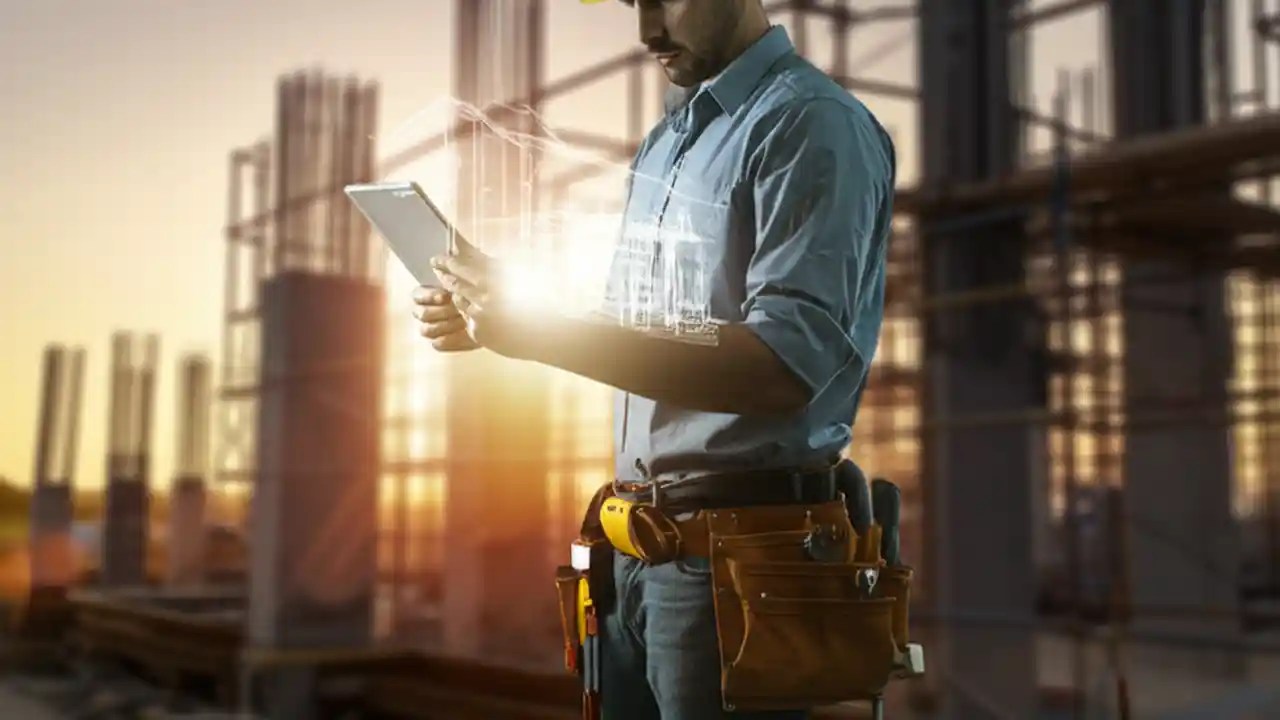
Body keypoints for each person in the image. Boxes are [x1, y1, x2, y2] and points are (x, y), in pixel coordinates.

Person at [414, 0, 896, 717]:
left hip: (736, 571)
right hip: (638, 560)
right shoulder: (669, 141)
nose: (646, 29)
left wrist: (544, 333)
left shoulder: (810, 124)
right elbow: (639, 330)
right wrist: (500, 312)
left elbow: (781, 365)